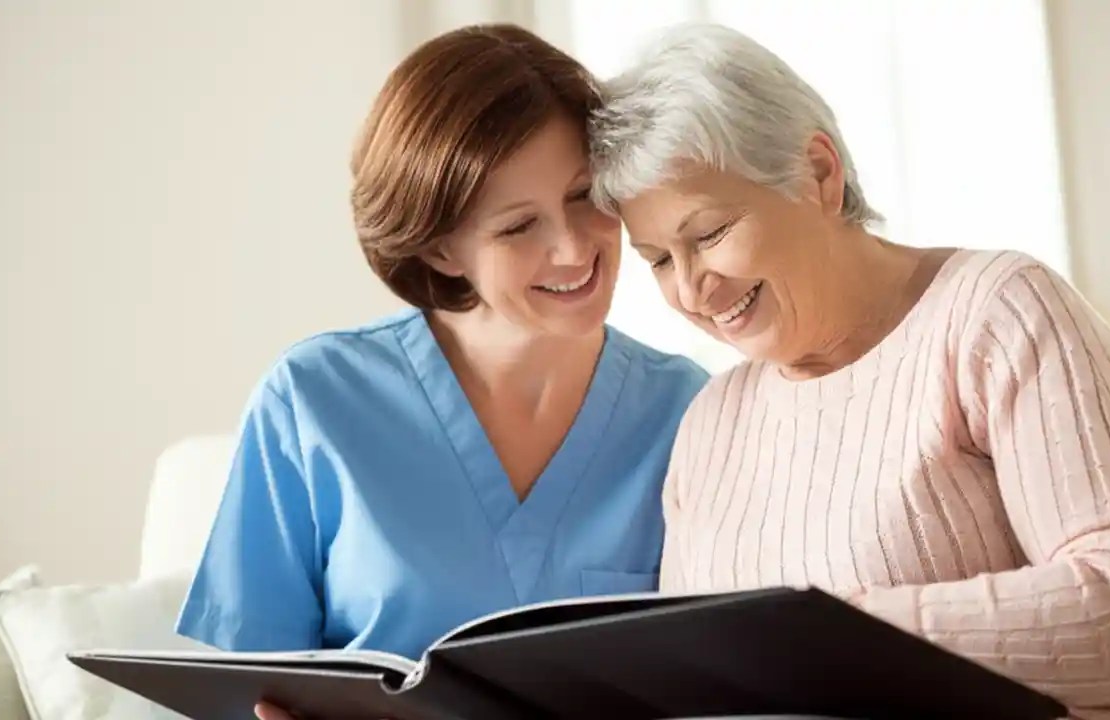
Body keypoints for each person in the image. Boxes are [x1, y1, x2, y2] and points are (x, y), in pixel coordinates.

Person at [590, 22, 1110, 720]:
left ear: (819, 174)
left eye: (709, 235)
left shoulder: (995, 313)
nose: (693, 289)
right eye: (661, 262)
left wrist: (831, 641)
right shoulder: (712, 424)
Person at [173, 23, 709, 719]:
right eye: (520, 226)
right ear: (439, 250)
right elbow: (244, 694)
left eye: (585, 197)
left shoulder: (687, 408)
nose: (574, 247)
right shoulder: (313, 400)